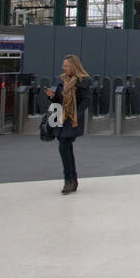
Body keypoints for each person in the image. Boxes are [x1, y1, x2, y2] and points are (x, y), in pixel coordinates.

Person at [45, 54, 90, 193]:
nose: (63, 68)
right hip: (61, 118)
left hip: (72, 119)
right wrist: (51, 96)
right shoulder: (61, 80)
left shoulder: (83, 81)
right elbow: (58, 99)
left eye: (66, 66)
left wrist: (77, 113)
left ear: (73, 66)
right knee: (65, 147)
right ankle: (72, 180)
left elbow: (86, 101)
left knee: (64, 146)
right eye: (63, 66)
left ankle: (69, 180)